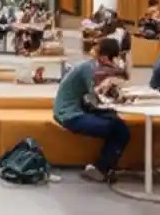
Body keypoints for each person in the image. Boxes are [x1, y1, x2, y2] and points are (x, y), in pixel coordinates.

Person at [53, 38, 131, 183]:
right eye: (113, 59)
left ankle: (104, 166)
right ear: (105, 57)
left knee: (118, 124)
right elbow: (96, 98)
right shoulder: (89, 69)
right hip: (69, 114)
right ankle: (101, 167)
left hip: (79, 108)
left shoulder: (92, 66)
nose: (114, 63)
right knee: (117, 128)